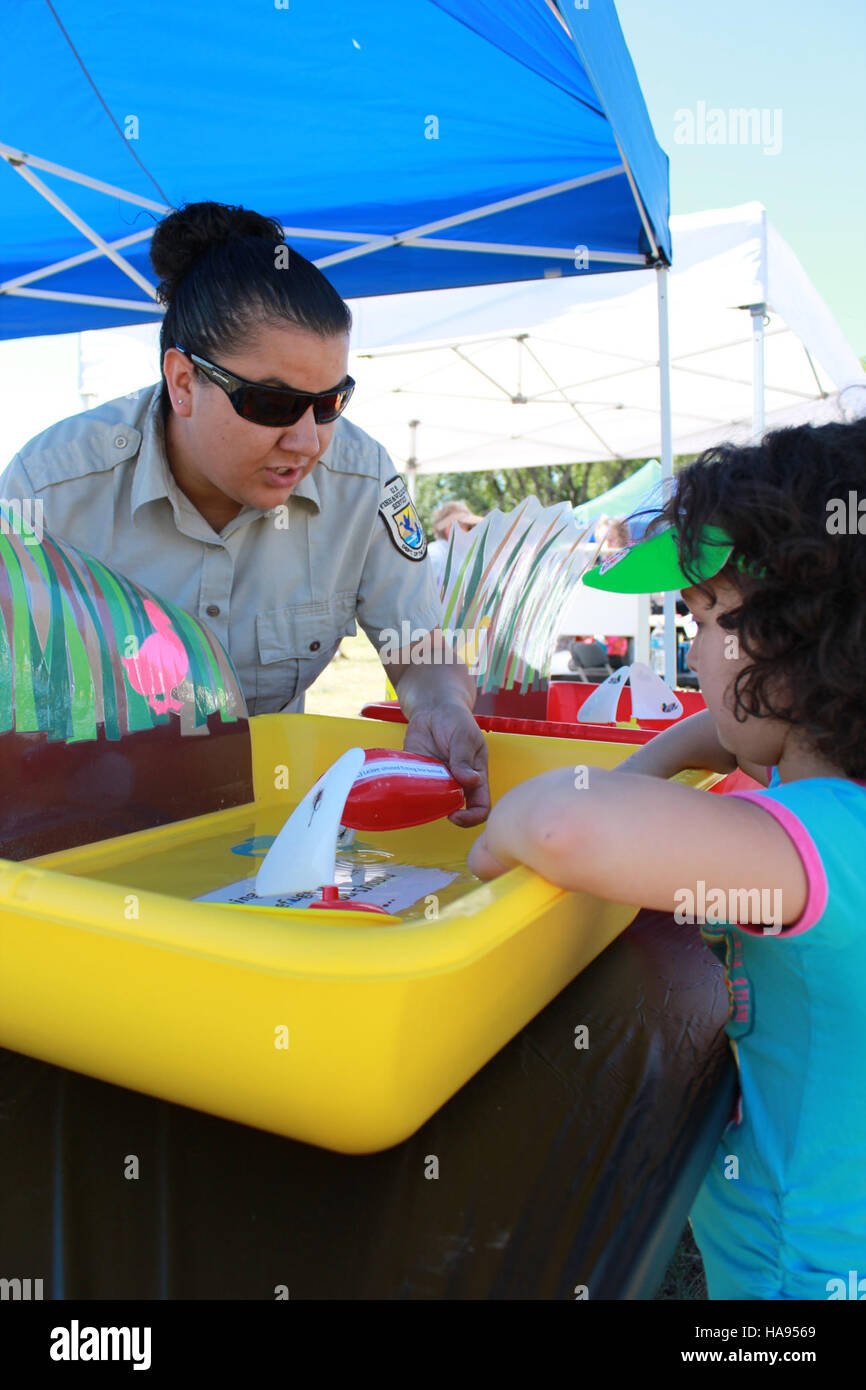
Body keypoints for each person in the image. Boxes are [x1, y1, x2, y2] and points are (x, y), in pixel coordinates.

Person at [468, 418, 866, 1299]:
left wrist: (500, 830)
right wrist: (708, 733)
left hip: (796, 1278)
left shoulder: (825, 837)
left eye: (708, 618)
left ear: (796, 639)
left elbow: (573, 827)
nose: (694, 649)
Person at [0, 201, 489, 825]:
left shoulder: (363, 482)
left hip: (272, 827)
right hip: (87, 828)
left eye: (331, 401)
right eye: (273, 402)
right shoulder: (53, 491)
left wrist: (441, 705)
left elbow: (418, 645)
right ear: (182, 382)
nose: (309, 441)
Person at [426, 499, 485, 594]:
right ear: (451, 528)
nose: (473, 532)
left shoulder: (453, 557)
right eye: (469, 527)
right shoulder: (436, 556)